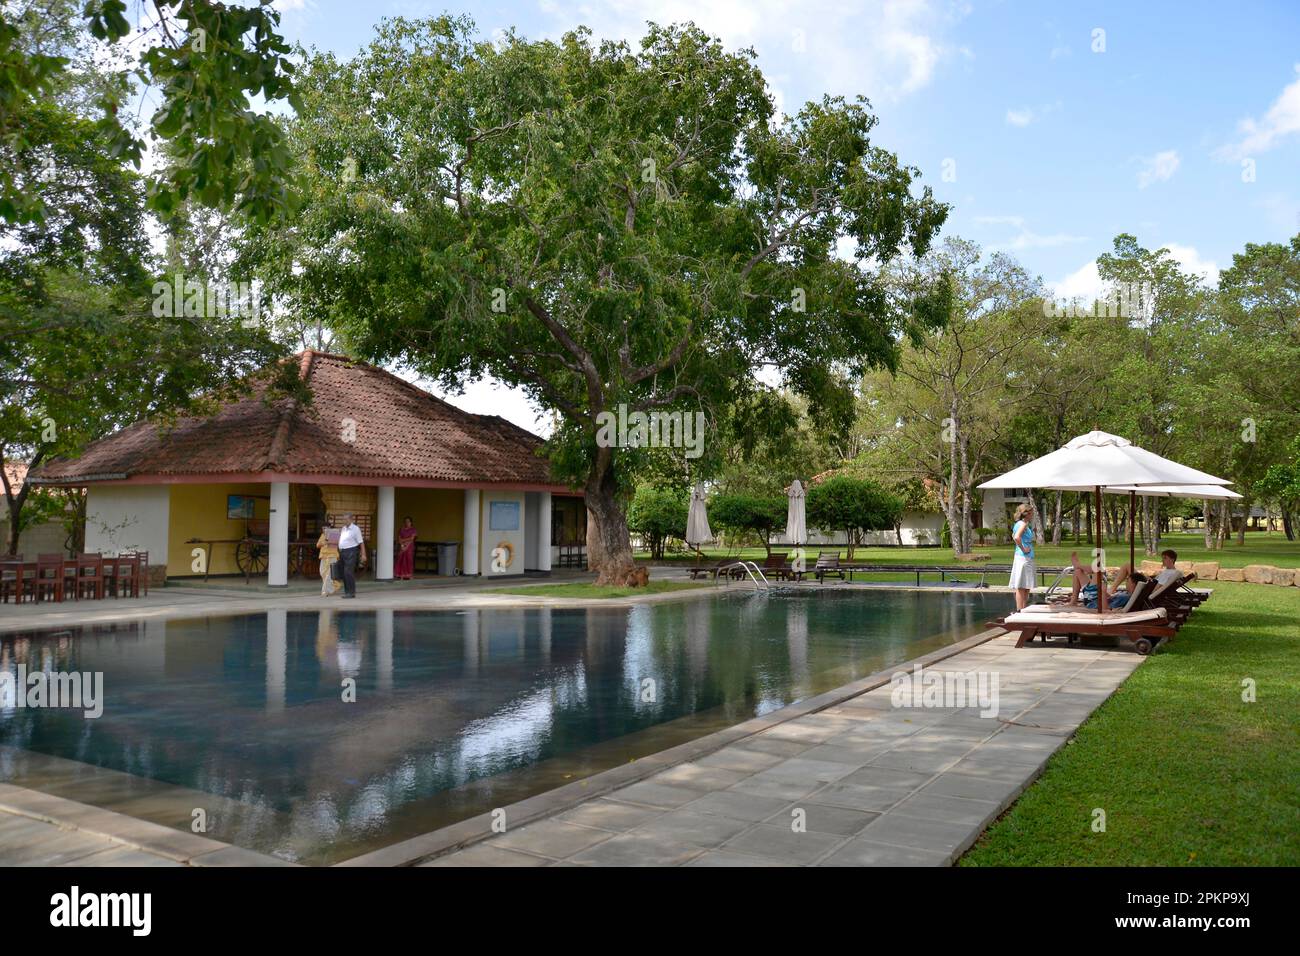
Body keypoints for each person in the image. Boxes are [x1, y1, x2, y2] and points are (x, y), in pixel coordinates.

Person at [1009, 503, 1036, 610]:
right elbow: (1016, 537)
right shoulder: (1023, 524)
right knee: (1021, 586)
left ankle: (1023, 609)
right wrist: (1024, 549)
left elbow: (1013, 536)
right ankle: (1020, 610)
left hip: (1024, 557)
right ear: (1027, 513)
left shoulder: (1019, 524)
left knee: (1025, 586)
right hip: (1024, 558)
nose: (1032, 515)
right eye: (1031, 513)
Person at [337, 513, 366, 599]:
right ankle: (347, 592)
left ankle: (351, 592)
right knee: (343, 573)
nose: (344, 521)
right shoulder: (343, 528)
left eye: (345, 519)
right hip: (342, 552)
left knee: (348, 572)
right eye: (343, 519)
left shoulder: (355, 529)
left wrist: (363, 554)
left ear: (351, 519)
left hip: (351, 552)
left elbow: (361, 542)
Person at [316, 515, 342, 597]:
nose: (324, 530)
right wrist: (323, 543)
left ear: (329, 528)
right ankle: (333, 587)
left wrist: (330, 542)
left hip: (332, 556)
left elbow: (339, 544)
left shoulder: (334, 534)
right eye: (323, 528)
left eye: (325, 528)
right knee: (322, 572)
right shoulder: (322, 535)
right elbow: (317, 545)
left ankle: (324, 591)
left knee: (329, 574)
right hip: (323, 556)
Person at [395, 516, 417, 580]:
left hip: (410, 547)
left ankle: (409, 575)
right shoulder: (401, 529)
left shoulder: (413, 530)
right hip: (402, 546)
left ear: (411, 522)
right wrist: (402, 544)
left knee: (409, 560)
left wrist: (403, 540)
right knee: (401, 559)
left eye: (408, 521)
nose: (407, 523)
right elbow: (399, 540)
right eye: (406, 521)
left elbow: (412, 539)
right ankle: (401, 575)